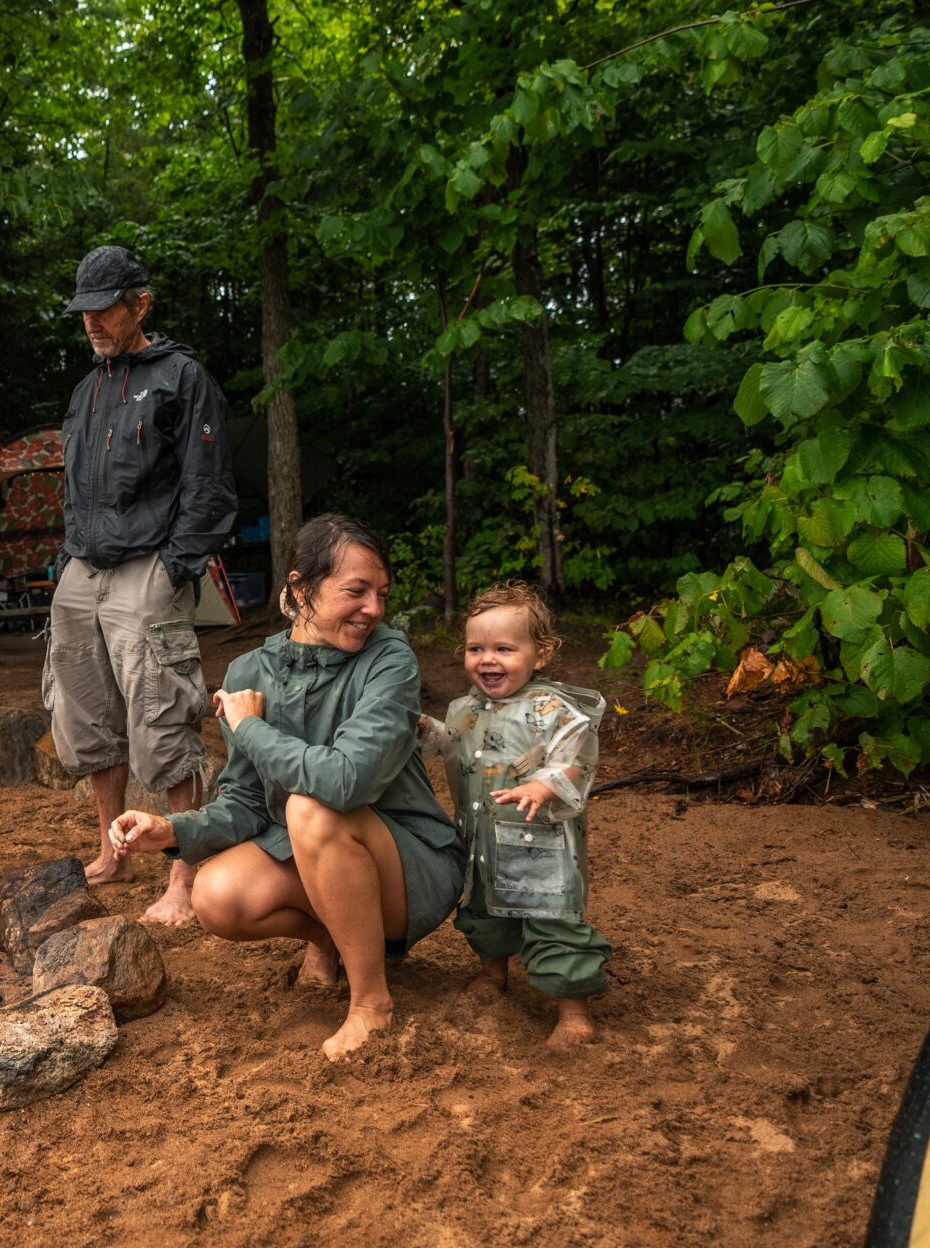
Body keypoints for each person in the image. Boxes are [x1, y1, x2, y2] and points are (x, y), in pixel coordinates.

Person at [109, 515, 465, 1060]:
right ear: (301, 588)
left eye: (381, 593)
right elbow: (248, 802)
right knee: (215, 896)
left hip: (410, 865)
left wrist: (250, 727)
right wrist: (171, 829)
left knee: (311, 807)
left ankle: (371, 1003)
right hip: (318, 853)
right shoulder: (251, 668)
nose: (374, 608)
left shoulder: (389, 659)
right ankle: (330, 938)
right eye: (356, 591)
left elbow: (347, 782)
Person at [45, 245, 237, 927]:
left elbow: (209, 488)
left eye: (105, 309)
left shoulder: (182, 377)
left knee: (161, 720)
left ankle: (183, 875)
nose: (92, 322)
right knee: (87, 719)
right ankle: (111, 846)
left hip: (147, 570)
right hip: (82, 573)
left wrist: (174, 568)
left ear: (140, 304)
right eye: (84, 311)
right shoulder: (87, 389)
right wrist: (68, 557)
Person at [419, 582, 612, 1048]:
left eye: (504, 649)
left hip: (540, 848)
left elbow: (577, 755)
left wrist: (545, 784)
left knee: (553, 919)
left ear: (540, 654)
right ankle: (494, 973)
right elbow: (453, 744)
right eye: (475, 648)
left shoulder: (553, 711)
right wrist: (425, 729)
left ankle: (573, 1012)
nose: (488, 659)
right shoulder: (464, 709)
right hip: (481, 840)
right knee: (484, 911)